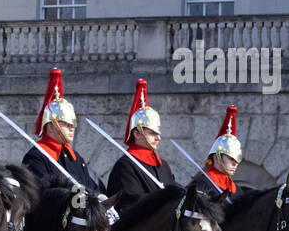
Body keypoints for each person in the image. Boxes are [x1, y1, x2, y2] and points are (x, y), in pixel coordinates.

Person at [22, 68, 100, 192]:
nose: (72, 128)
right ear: (52, 126)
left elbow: (92, 188)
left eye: (73, 124)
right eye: (67, 124)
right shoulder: (36, 157)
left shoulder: (76, 158)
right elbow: (41, 195)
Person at [106, 79, 175, 209]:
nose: (158, 137)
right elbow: (130, 204)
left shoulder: (163, 165)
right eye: (152, 133)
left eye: (158, 132)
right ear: (137, 134)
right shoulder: (125, 166)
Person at [203, 105, 243, 197]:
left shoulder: (237, 191)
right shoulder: (202, 184)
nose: (235, 163)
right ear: (217, 157)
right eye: (231, 158)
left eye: (237, 159)